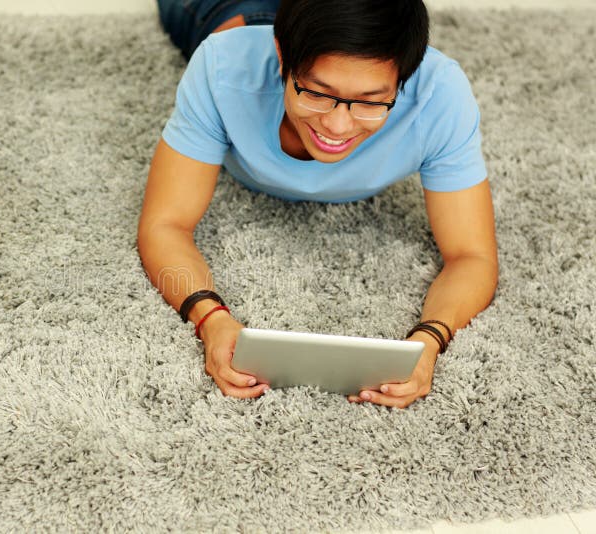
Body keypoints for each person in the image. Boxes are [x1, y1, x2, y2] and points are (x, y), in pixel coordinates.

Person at [137, 0, 499, 408]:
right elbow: (164, 225)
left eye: (371, 101)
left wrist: (429, 341)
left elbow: (472, 256)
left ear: (403, 78)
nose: (337, 125)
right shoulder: (222, 68)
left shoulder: (441, 95)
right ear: (280, 57)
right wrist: (210, 318)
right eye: (316, 92)